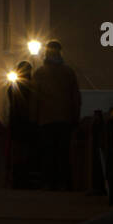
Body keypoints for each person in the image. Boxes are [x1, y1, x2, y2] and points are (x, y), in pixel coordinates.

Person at [31, 40, 81, 191]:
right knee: (63, 153)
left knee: (48, 152)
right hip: (65, 118)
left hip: (46, 119)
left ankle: (49, 182)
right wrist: (75, 117)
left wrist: (34, 119)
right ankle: (64, 182)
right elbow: (75, 97)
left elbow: (34, 99)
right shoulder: (68, 72)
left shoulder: (39, 73)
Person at [7, 62, 34, 188]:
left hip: (16, 123)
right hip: (27, 123)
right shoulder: (32, 87)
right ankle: (24, 179)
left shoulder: (13, 87)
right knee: (25, 153)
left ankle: (17, 179)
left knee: (17, 153)